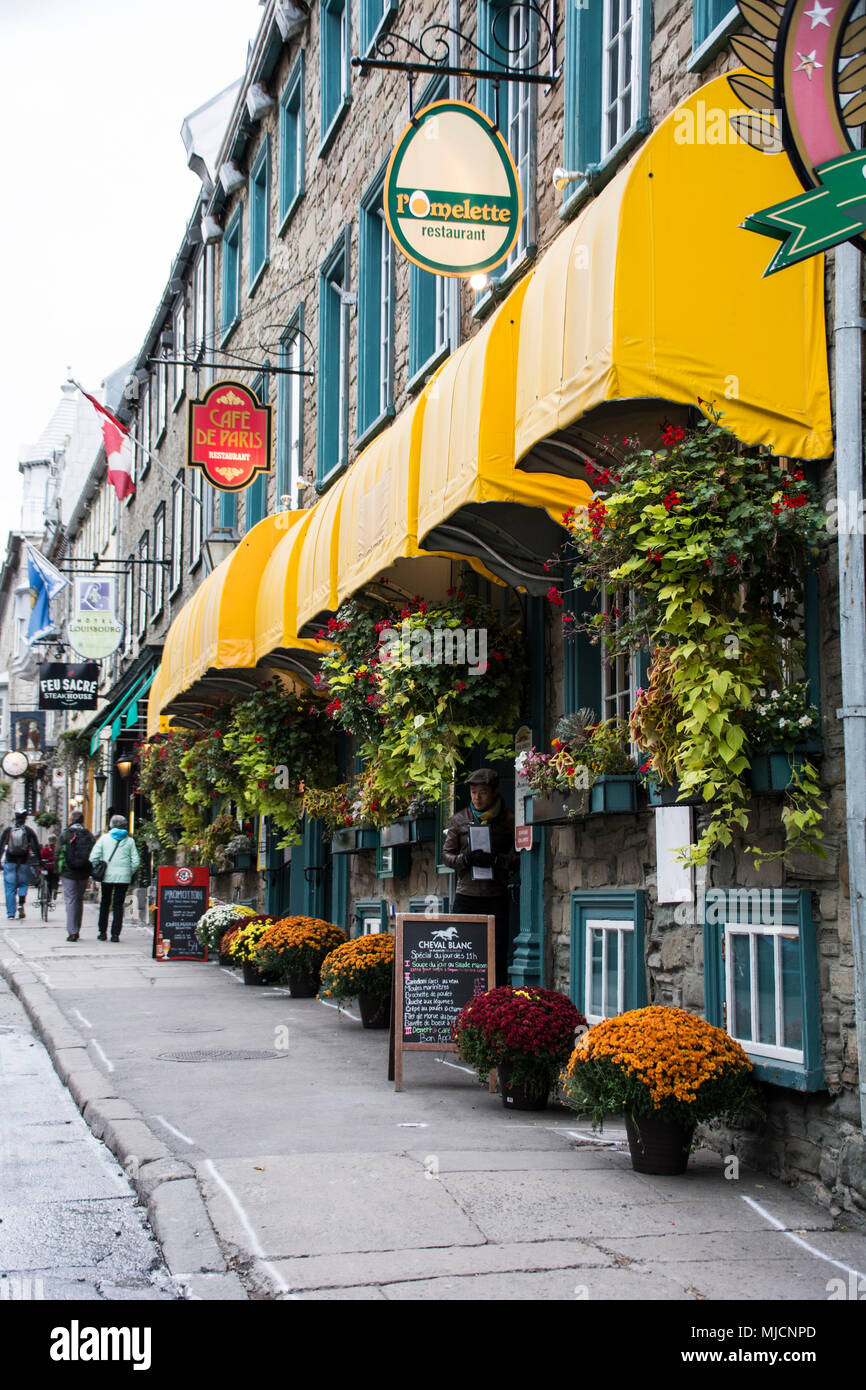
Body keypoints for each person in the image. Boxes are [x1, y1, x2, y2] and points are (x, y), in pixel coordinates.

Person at [442, 769, 518, 988]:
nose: (477, 797)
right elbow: (446, 856)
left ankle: (497, 998)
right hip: (466, 894)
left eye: (483, 792)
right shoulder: (459, 819)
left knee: (497, 950)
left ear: (495, 792)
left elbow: (520, 856)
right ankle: (462, 994)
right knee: (463, 949)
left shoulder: (509, 820)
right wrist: (464, 860)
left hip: (495, 894)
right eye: (473, 792)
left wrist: (497, 861)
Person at [89, 814, 140, 942]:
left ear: (111, 825)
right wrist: (128, 871)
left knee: (105, 903)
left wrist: (99, 866)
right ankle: (115, 934)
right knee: (118, 905)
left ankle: (102, 932)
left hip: (107, 876)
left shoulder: (104, 838)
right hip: (123, 878)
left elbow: (93, 857)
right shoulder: (129, 840)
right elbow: (136, 861)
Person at [57, 811, 95, 942]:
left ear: (71, 820)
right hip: (84, 872)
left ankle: (72, 931)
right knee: (79, 900)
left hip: (69, 872)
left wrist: (58, 870)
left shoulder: (66, 834)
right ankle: (77, 928)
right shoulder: (88, 834)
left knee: (71, 900)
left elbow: (58, 852)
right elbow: (93, 853)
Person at [0, 807, 41, 920]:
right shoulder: (28, 831)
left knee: (9, 888)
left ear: (15, 818)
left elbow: (1, 846)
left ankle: (10, 914)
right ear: (25, 819)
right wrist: (40, 861)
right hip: (23, 862)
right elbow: (35, 847)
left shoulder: (8, 831)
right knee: (23, 885)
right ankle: (20, 904)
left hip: (10, 862)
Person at [41, 834, 59, 904]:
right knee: (55, 880)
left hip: (47, 867)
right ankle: (55, 889)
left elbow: (42, 858)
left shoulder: (45, 849)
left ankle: (48, 897)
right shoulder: (57, 849)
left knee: (48, 881)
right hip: (55, 867)